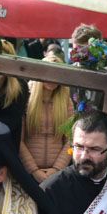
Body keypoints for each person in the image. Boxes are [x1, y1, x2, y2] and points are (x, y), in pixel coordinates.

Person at [21, 52, 73, 184]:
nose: (52, 79)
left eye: (57, 75)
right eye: (49, 73)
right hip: (28, 173)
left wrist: (56, 169)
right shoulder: (26, 98)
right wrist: (33, 170)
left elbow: (70, 140)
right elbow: (18, 140)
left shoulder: (67, 101)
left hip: (57, 175)